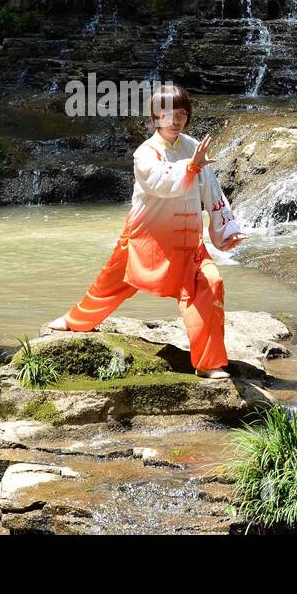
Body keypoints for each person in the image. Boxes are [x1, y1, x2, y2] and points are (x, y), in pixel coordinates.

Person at [46, 83, 248, 378]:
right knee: (110, 283)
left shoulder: (193, 146)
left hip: (188, 239)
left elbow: (212, 191)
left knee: (210, 284)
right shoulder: (145, 152)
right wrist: (191, 167)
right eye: (167, 114)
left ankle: (208, 363)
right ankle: (75, 320)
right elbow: (161, 183)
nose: (175, 120)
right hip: (146, 236)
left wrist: (227, 229)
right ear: (155, 117)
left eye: (181, 114)